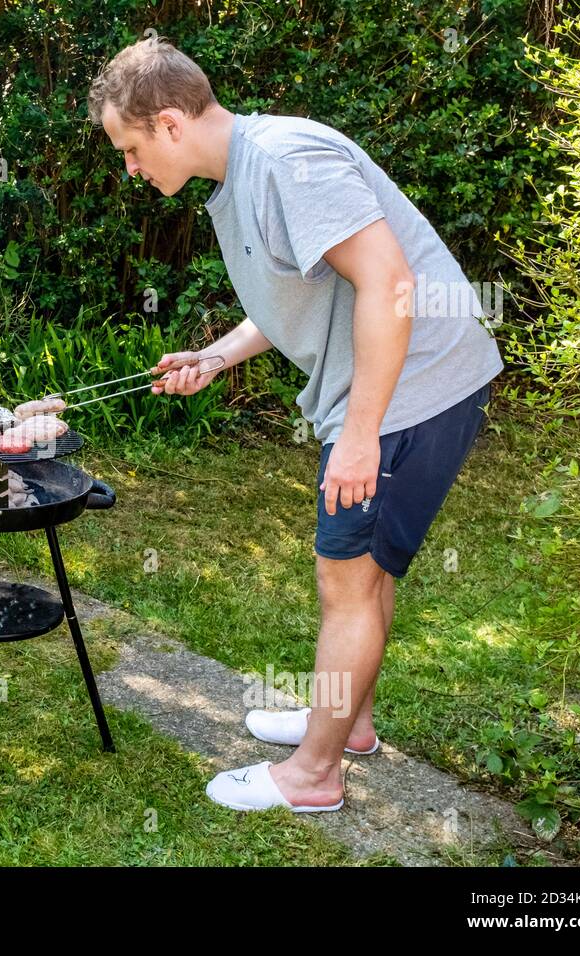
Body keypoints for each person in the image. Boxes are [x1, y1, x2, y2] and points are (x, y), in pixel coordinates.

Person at [87, 36, 503, 812]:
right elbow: (296, 294)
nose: (131, 170)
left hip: (414, 388)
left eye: (132, 149)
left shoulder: (286, 160)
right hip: (398, 391)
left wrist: (359, 434)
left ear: (171, 123)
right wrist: (217, 356)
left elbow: (389, 282)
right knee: (363, 571)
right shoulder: (242, 176)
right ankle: (346, 726)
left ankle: (312, 777)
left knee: (344, 577)